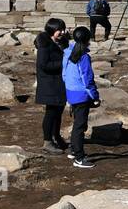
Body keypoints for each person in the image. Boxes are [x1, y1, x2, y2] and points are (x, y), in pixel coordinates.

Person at [62, 26, 101, 168]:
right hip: (82, 95)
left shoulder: (68, 52)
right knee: (80, 126)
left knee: (78, 124)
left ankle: (73, 150)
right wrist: (95, 96)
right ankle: (79, 158)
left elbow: (64, 74)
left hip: (71, 92)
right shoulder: (83, 56)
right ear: (87, 40)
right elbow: (87, 79)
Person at [34, 18, 69, 155]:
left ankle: (56, 136)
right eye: (59, 30)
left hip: (58, 83)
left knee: (58, 112)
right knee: (51, 113)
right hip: (49, 84)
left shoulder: (60, 43)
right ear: (52, 30)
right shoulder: (44, 46)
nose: (62, 32)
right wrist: (63, 63)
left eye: (63, 29)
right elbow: (44, 66)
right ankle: (47, 141)